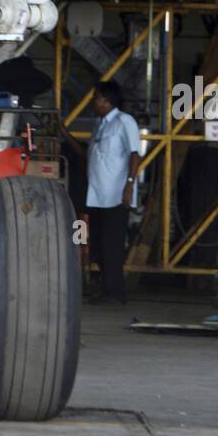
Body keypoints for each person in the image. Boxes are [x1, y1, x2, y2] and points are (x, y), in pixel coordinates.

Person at [85, 80, 140, 305]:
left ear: (107, 100)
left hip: (116, 195)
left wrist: (129, 184)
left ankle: (116, 292)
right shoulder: (100, 125)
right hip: (97, 194)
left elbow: (135, 154)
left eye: (97, 97)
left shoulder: (124, 121)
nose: (93, 101)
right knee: (98, 244)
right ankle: (107, 289)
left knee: (112, 245)